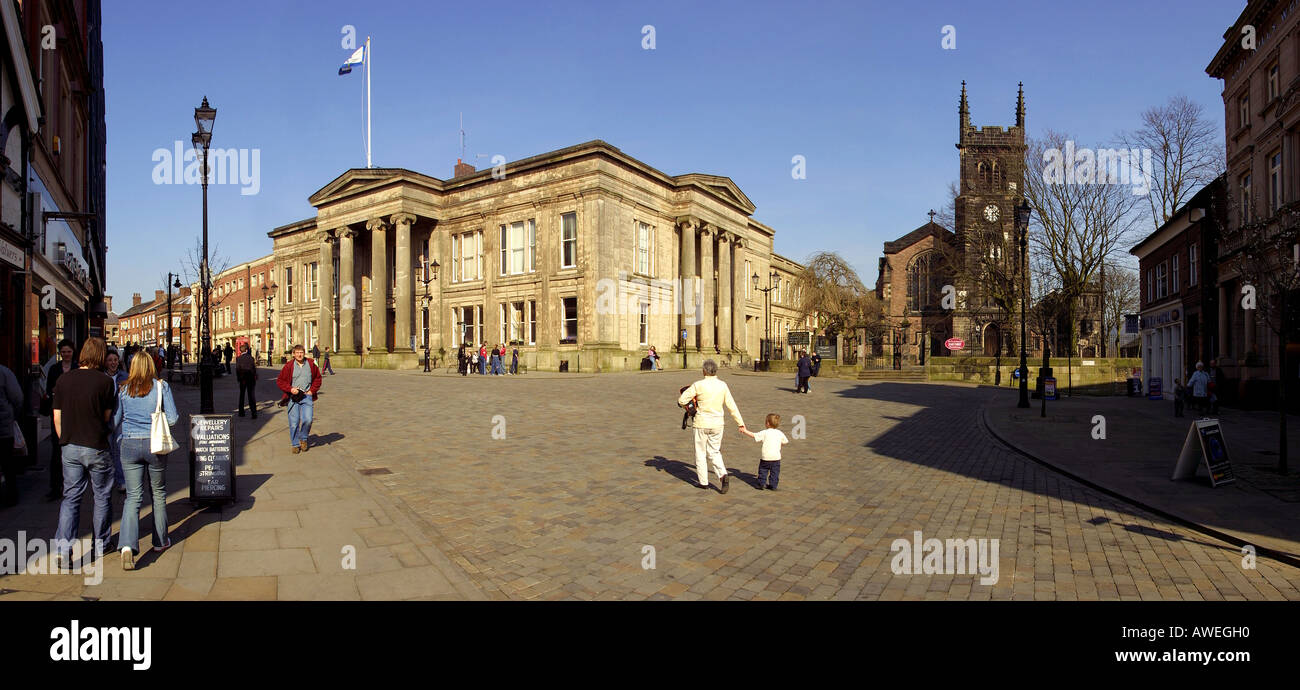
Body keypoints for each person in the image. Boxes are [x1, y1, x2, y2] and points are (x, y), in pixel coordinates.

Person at [52, 337, 117, 565]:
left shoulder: (63, 380)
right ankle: (101, 544)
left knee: (71, 497)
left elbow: (57, 417)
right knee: (101, 496)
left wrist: (66, 440)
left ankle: (63, 549)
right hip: (96, 446)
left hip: (69, 445)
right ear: (100, 356)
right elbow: (108, 417)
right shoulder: (106, 382)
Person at [112, 351, 178, 570]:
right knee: (158, 494)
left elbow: (115, 420)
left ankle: (128, 546)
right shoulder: (161, 387)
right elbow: (173, 418)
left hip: (129, 444)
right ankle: (160, 541)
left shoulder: (123, 389)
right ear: (151, 365)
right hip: (155, 445)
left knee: (133, 497)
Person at [677, 359, 747, 493]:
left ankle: (703, 482)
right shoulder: (723, 385)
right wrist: (740, 423)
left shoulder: (698, 385)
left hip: (701, 423)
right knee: (714, 451)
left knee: (701, 453)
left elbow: (681, 400)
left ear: (704, 371)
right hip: (717, 423)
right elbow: (732, 405)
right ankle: (722, 474)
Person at [42, 339, 76, 501]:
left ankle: (72, 484)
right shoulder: (55, 369)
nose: (66, 354)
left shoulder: (77, 369)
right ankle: (55, 487)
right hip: (58, 413)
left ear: (73, 352)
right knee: (56, 451)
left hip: (75, 414)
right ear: (60, 353)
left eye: (68, 351)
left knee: (74, 450)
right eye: (63, 351)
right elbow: (49, 390)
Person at [277, 344, 322, 454]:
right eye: (297, 352)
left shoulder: (311, 364)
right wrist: (290, 389)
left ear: (304, 353)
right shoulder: (288, 366)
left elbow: (318, 378)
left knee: (308, 419)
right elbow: (280, 381)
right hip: (293, 397)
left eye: (301, 352)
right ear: (293, 354)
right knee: (294, 422)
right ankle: (295, 444)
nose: (299, 354)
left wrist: (312, 390)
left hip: (307, 396)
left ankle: (303, 438)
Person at [741, 413, 790, 490]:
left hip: (766, 457)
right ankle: (773, 485)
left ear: (767, 423)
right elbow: (785, 441)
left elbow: (754, 435)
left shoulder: (765, 432)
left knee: (763, 471)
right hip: (776, 458)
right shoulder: (779, 433)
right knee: (775, 473)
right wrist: (779, 444)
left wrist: (745, 431)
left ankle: (761, 484)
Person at [103, 350, 128, 492]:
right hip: (106, 418)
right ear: (105, 363)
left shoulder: (125, 376)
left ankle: (121, 480)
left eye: (115, 360)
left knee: (118, 450)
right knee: (107, 450)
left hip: (121, 418)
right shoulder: (101, 378)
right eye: (110, 360)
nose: (113, 363)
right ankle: (108, 479)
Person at [0, 362, 23, 507]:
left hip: (3, 424)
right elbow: (17, 398)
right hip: (3, 425)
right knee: (7, 463)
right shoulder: (4, 372)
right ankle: (11, 496)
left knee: (7, 462)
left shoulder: (4, 373)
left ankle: (10, 495)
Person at [236, 343, 258, 418]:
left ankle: (241, 412)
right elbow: (254, 369)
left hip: (243, 379)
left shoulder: (238, 358)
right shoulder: (251, 358)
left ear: (240, 351)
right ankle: (254, 413)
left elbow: (238, 370)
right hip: (251, 379)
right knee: (251, 396)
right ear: (246, 350)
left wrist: (239, 378)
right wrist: (255, 376)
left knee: (242, 395)